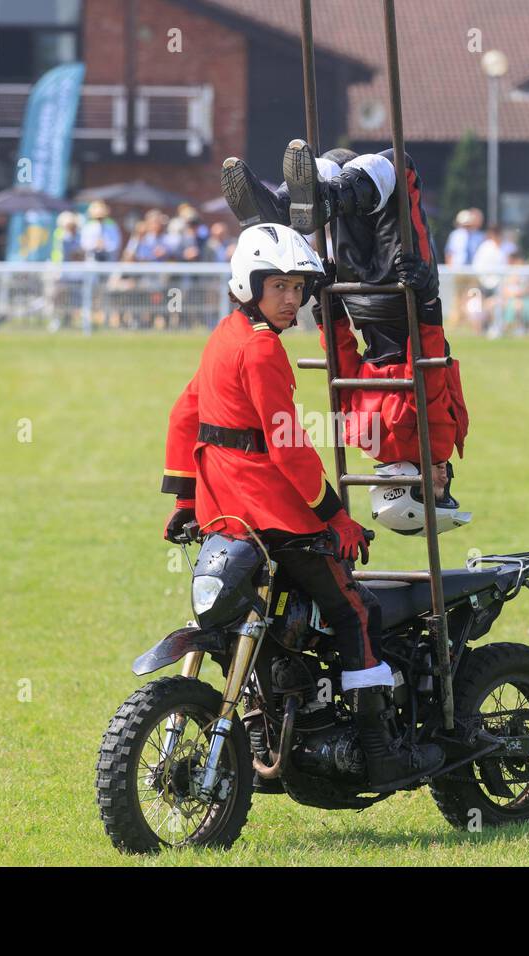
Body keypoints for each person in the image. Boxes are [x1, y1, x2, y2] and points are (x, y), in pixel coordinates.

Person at [160, 223, 444, 788]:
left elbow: (183, 414)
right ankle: (377, 751)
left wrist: (188, 498)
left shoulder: (225, 335)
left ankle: (269, 738)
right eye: (279, 287)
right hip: (274, 515)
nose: (291, 299)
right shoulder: (262, 349)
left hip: (227, 515)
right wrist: (334, 515)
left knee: (262, 621)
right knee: (355, 612)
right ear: (250, 284)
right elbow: (287, 445)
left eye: (297, 287)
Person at [219, 140, 470, 534]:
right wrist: (327, 306)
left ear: (415, 487)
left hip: (403, 298)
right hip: (355, 298)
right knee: (343, 169)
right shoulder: (363, 437)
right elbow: (342, 364)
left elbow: (430, 374)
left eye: (440, 489)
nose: (445, 477)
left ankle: (289, 206)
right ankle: (283, 207)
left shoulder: (433, 444)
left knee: (399, 170)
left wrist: (426, 306)